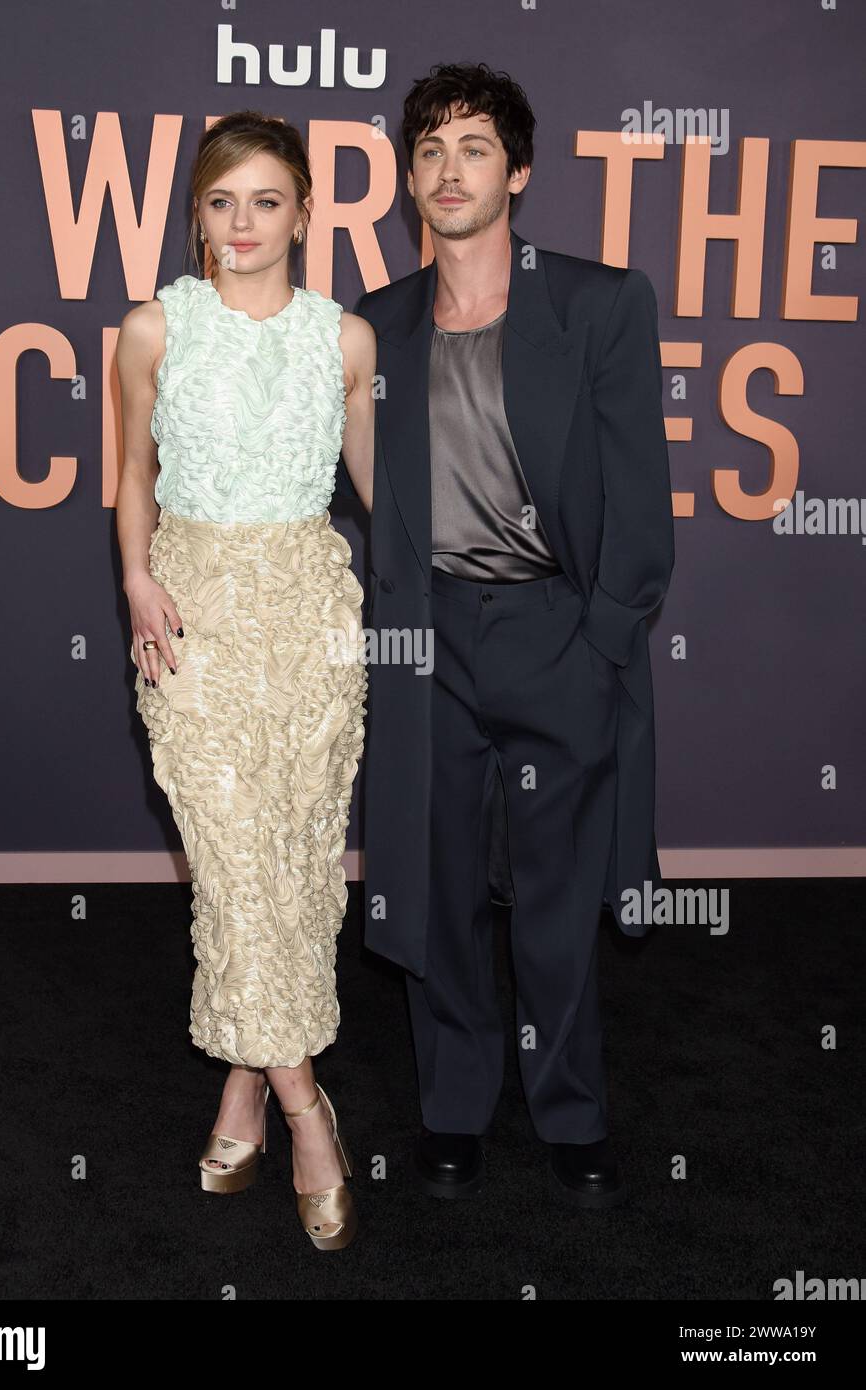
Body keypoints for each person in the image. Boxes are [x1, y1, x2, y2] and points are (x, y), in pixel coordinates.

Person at [334, 63, 675, 1208]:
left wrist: (601, 646)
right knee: (431, 888)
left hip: (551, 629)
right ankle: (452, 1107)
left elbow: (639, 503)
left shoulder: (598, 303)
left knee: (556, 893)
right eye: (428, 150)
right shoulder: (373, 327)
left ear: (518, 172)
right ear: (407, 180)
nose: (448, 169)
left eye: (473, 147)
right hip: (426, 639)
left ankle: (570, 1109)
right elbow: (352, 496)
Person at [115, 111, 376, 1251]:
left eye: (266, 201)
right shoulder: (153, 326)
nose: (241, 224)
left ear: (305, 214)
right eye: (221, 202)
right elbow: (131, 474)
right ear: (198, 216)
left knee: (300, 860)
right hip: (194, 610)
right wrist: (134, 578)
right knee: (228, 854)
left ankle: (240, 1091)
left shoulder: (347, 341)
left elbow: (385, 493)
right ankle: (309, 1106)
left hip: (312, 613)